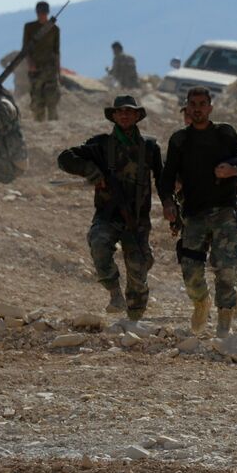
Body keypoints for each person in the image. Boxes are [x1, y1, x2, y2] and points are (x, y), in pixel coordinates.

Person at [57, 95, 163, 320]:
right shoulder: (101, 144)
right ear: (113, 116)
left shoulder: (150, 147)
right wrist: (91, 171)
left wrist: (171, 207)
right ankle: (115, 294)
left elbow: (162, 180)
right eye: (120, 111)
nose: (124, 115)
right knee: (98, 244)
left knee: (137, 270)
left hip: (137, 218)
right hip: (107, 214)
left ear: (137, 116)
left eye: (129, 111)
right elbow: (65, 158)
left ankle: (135, 318)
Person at [158, 85, 237, 335]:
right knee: (191, 269)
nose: (197, 109)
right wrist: (167, 202)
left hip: (223, 211)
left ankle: (224, 319)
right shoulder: (179, 140)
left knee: (226, 267)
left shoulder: (225, 134)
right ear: (187, 107)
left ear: (210, 107)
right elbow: (167, 178)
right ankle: (201, 303)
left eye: (202, 104)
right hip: (194, 214)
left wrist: (234, 171)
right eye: (193, 104)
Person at [22, 1, 61, 121]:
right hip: (36, 71)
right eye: (39, 13)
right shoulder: (29, 27)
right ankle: (40, 126)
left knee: (52, 101)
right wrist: (30, 64)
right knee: (37, 101)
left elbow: (57, 51)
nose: (41, 15)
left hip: (50, 70)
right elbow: (25, 49)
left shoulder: (54, 29)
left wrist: (58, 71)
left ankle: (53, 127)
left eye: (43, 13)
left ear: (48, 13)